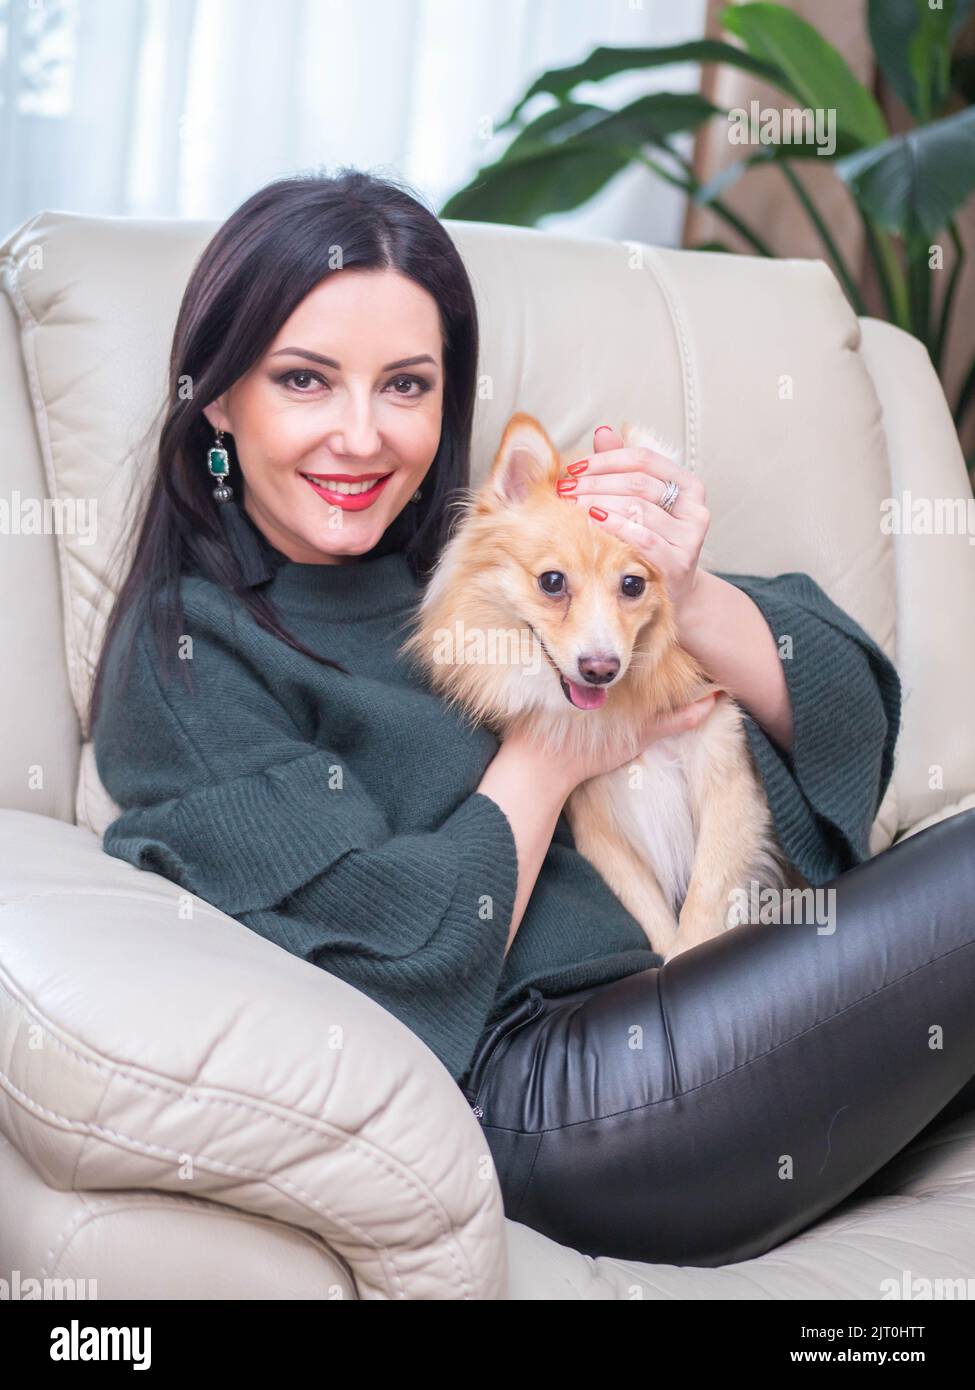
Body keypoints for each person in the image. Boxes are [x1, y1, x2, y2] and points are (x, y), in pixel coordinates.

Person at [90, 168, 975, 1269]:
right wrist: (551, 756)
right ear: (220, 396)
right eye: (305, 380)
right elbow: (385, 958)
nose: (361, 437)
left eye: (406, 385)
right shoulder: (189, 653)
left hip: (713, 1006)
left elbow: (849, 708)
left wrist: (683, 591)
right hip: (557, 1099)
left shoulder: (490, 555)